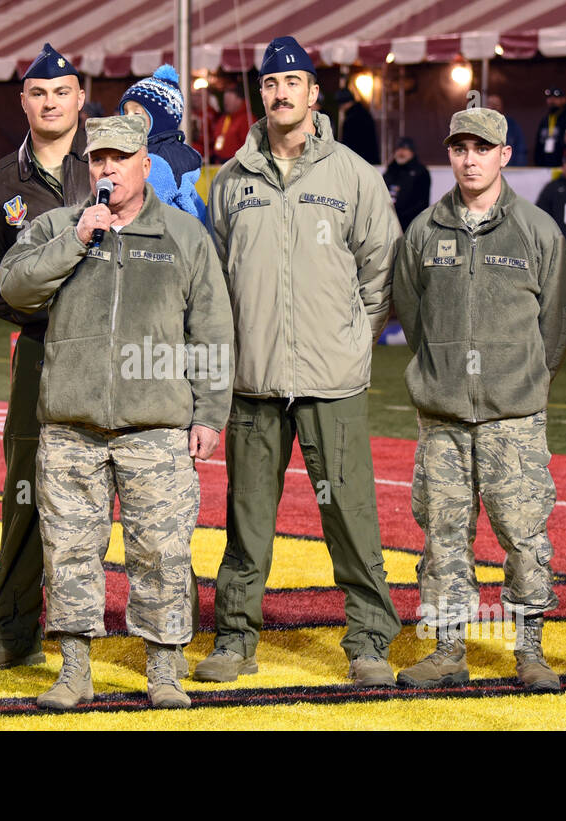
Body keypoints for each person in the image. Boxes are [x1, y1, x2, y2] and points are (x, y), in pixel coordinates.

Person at [0, 114, 233, 710]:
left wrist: (210, 414)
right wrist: (76, 239)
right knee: (70, 550)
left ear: (144, 166)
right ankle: (74, 671)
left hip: (156, 428)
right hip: (71, 426)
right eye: (97, 158)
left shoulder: (184, 235)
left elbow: (210, 330)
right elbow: (15, 287)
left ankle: (164, 670)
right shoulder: (58, 225)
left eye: (119, 158)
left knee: (162, 551)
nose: (106, 168)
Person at [199, 36, 403, 687]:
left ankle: (369, 639)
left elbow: (384, 270)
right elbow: (215, 284)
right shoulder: (230, 181)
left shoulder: (353, 175)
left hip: (332, 383)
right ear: (260, 94)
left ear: (316, 93)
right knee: (246, 523)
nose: (281, 92)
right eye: (270, 83)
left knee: (351, 518)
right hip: (253, 383)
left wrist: (351, 338)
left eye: (294, 81)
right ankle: (234, 637)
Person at [391, 108, 566, 691]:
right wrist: (445, 370)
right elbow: (412, 314)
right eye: (459, 148)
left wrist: (524, 381)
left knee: (524, 537)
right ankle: (447, 650)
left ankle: (530, 651)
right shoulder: (423, 229)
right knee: (442, 535)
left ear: (504, 155)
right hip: (442, 418)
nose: (469, 159)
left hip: (513, 419)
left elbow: (557, 319)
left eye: (482, 148)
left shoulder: (537, 230)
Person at [0, 44, 92, 673]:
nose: (50, 102)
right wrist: (35, 313)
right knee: (26, 490)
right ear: (24, 101)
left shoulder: (111, 165)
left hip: (117, 358)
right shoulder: (1, 185)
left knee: (142, 487)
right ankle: (12, 630)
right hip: (39, 353)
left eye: (61, 91)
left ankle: (158, 633)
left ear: (80, 97)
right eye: (38, 93)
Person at [120, 64, 206, 220]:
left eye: (136, 113)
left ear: (160, 119)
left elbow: (142, 210)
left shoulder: (159, 161)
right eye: (125, 112)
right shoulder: (170, 151)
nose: (128, 118)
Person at [383, 136, 430, 230]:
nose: (401, 152)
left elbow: (422, 203)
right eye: (398, 149)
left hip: (409, 225)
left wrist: (402, 217)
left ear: (412, 152)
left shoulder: (420, 172)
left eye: (405, 149)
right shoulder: (390, 170)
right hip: (387, 223)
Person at [335, 88, 379, 166]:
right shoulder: (364, 113)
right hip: (370, 161)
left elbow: (349, 145)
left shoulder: (351, 119)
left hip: (358, 162)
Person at [210, 86, 250, 164]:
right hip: (220, 162)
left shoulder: (246, 119)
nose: (226, 103)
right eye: (225, 100)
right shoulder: (224, 118)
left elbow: (249, 147)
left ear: (239, 101)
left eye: (229, 100)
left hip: (235, 165)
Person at [534, 88, 566, 167]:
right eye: (549, 98)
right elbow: (538, 143)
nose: (552, 100)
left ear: (564, 100)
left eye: (556, 98)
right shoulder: (545, 120)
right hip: (544, 164)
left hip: (562, 165)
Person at [488, 93, 526, 168]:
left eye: (496, 104)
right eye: (490, 104)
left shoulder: (512, 125)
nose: (493, 107)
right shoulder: (481, 126)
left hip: (509, 169)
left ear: (501, 106)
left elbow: (520, 149)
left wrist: (517, 169)